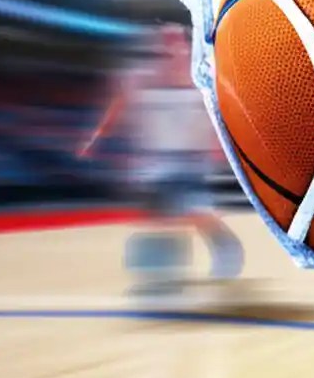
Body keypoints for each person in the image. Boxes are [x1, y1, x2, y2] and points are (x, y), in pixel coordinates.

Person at [80, 23, 242, 297]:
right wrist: (97, 136)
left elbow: (217, 113)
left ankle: (225, 246)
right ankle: (163, 271)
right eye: (166, 43)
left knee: (196, 212)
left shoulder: (199, 76)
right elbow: (118, 105)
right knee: (158, 215)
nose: (172, 48)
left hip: (191, 157)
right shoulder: (140, 77)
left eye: (178, 43)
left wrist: (219, 146)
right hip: (156, 160)